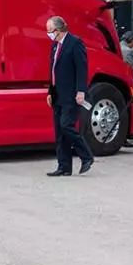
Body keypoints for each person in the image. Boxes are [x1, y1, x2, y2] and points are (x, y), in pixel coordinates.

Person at [45, 16, 94, 176]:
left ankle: (86, 156)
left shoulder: (75, 43)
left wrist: (81, 91)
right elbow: (52, 70)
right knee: (60, 132)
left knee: (67, 126)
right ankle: (64, 166)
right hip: (58, 94)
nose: (48, 34)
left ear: (58, 30)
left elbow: (82, 68)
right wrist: (50, 92)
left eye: (50, 31)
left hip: (71, 94)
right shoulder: (55, 46)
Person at [118, 31, 133, 148]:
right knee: (128, 110)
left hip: (116, 83)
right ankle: (124, 137)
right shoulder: (129, 51)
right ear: (132, 41)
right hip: (126, 83)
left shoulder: (118, 46)